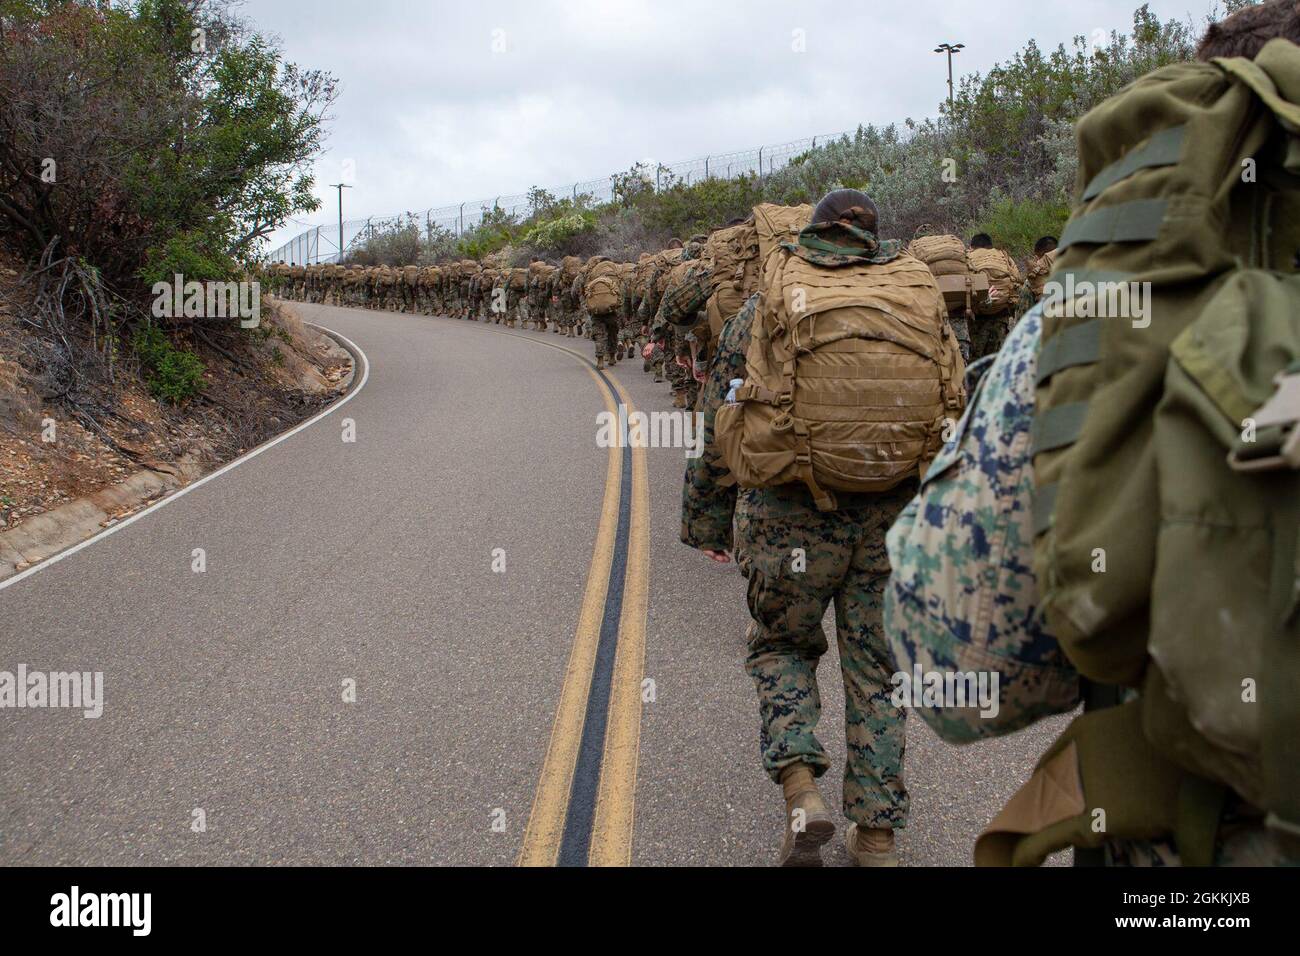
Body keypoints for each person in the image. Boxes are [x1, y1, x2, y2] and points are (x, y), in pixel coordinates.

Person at [683, 189, 964, 866]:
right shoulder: (919, 305)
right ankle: (876, 835)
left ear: (810, 235)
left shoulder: (766, 302)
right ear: (876, 241)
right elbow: (955, 405)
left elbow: (720, 419)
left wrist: (708, 520)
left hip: (788, 513)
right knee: (879, 668)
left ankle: (802, 787)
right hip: (891, 515)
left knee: (782, 648)